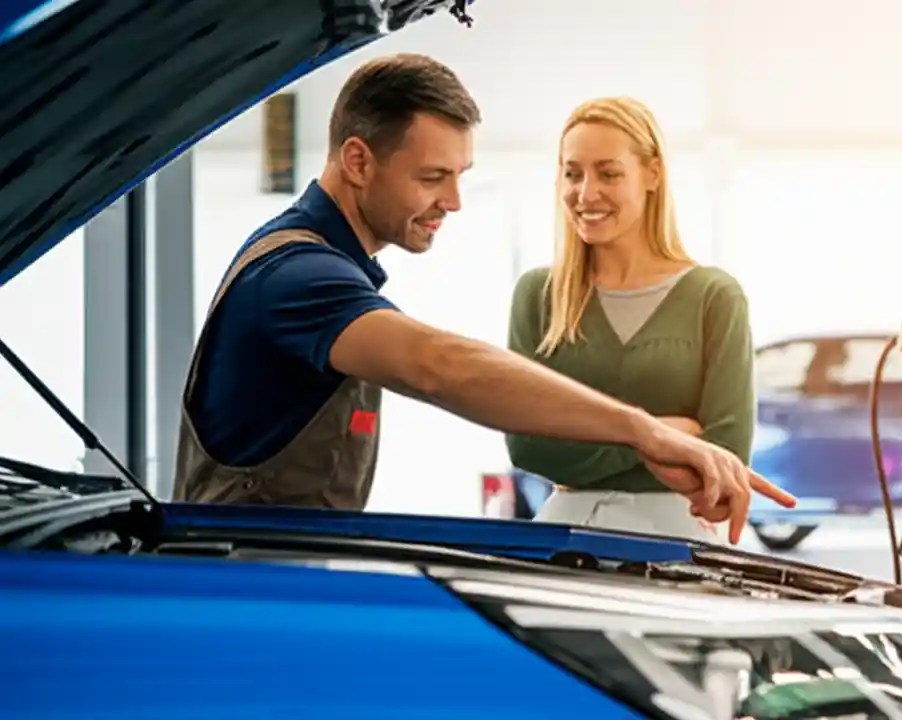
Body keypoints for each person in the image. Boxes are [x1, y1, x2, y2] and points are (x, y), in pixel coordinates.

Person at [171, 53, 794, 544]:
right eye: (432, 177)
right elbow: (441, 367)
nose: (454, 202)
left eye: (459, 177)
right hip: (248, 573)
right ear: (358, 161)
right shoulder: (298, 276)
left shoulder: (324, 268)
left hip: (280, 566)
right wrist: (645, 431)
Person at [505, 97, 758, 543]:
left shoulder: (714, 297)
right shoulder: (538, 295)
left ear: (652, 175)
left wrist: (583, 438)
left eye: (609, 173)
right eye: (572, 173)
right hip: (565, 536)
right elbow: (528, 447)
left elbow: (728, 448)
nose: (585, 194)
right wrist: (664, 435)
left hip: (680, 538)